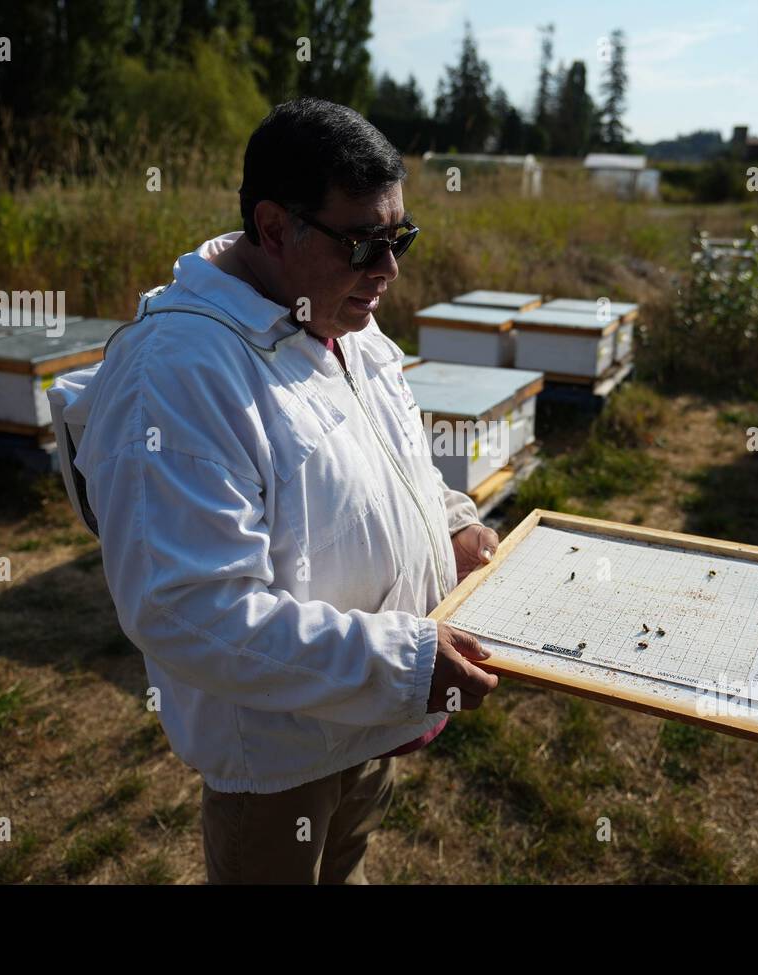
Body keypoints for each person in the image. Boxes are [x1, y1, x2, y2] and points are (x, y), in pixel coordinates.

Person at [60, 97, 500, 884]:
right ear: (272, 227)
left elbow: (395, 461)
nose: (387, 268)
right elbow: (188, 608)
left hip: (365, 721)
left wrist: (454, 525)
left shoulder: (346, 321)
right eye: (365, 241)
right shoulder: (179, 373)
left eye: (400, 238)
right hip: (277, 759)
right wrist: (401, 664)